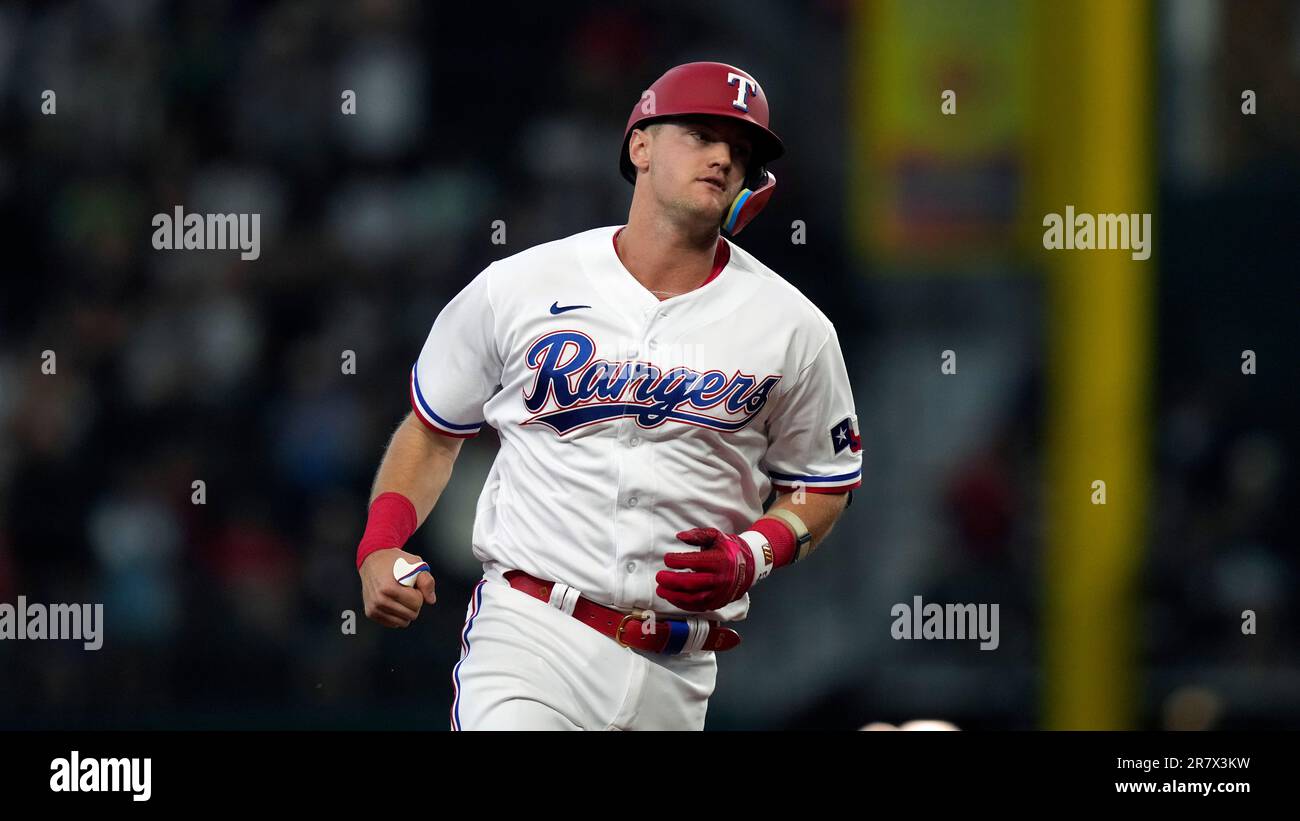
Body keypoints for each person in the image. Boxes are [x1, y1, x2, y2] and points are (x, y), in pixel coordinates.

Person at [355, 61, 862, 730]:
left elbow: (824, 482)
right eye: (701, 134)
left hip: (679, 671)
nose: (721, 157)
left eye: (739, 151)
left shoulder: (794, 326)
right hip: (533, 635)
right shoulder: (521, 285)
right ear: (641, 145)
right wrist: (380, 544)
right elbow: (433, 428)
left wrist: (755, 551)